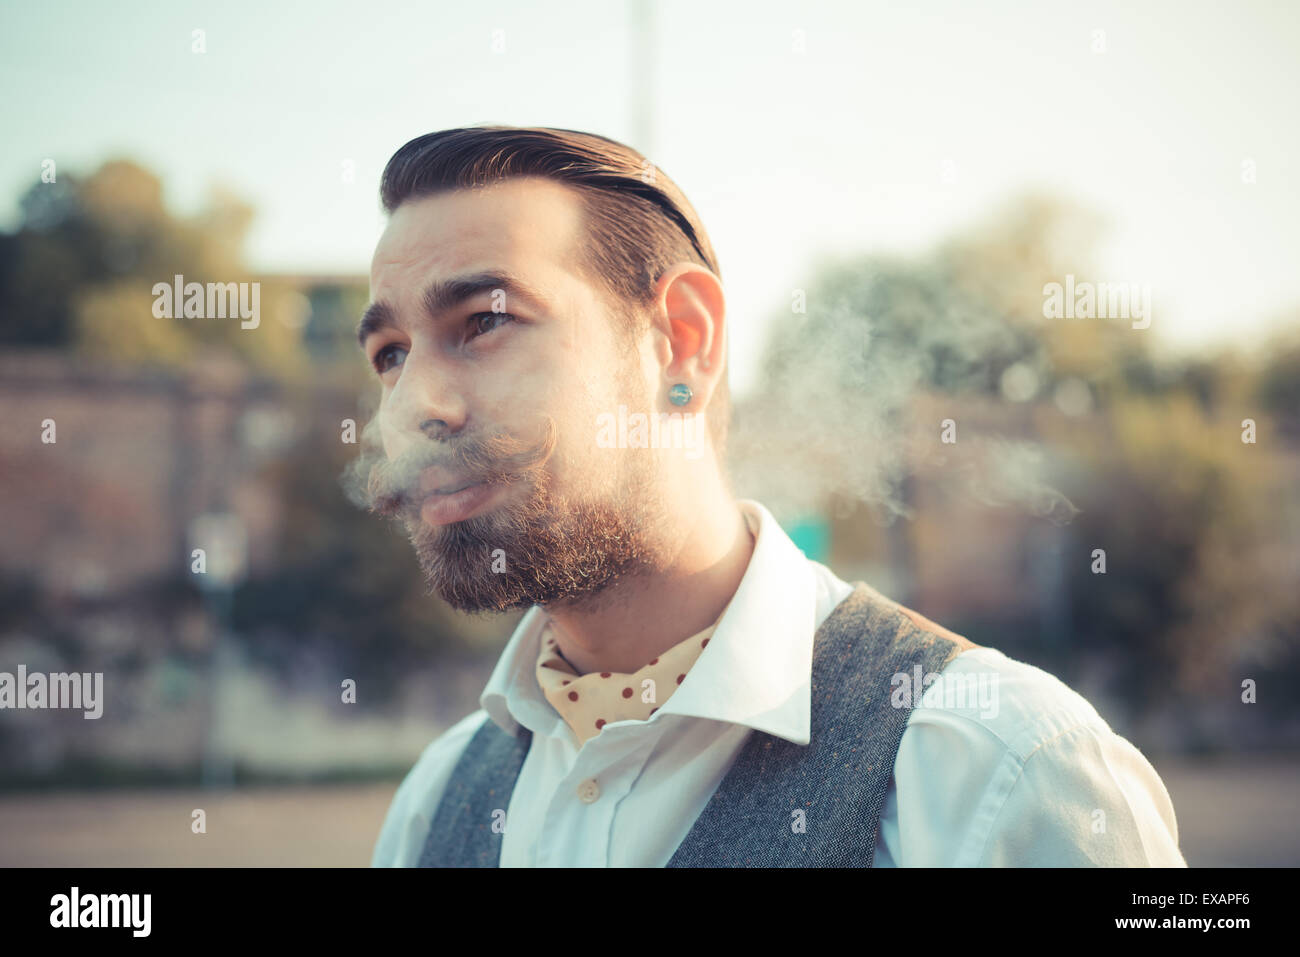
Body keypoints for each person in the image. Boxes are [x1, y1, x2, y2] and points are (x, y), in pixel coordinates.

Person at [356, 125, 1186, 867]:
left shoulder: (1004, 773)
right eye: (391, 353)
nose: (413, 406)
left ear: (681, 344)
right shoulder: (435, 805)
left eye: (483, 320)